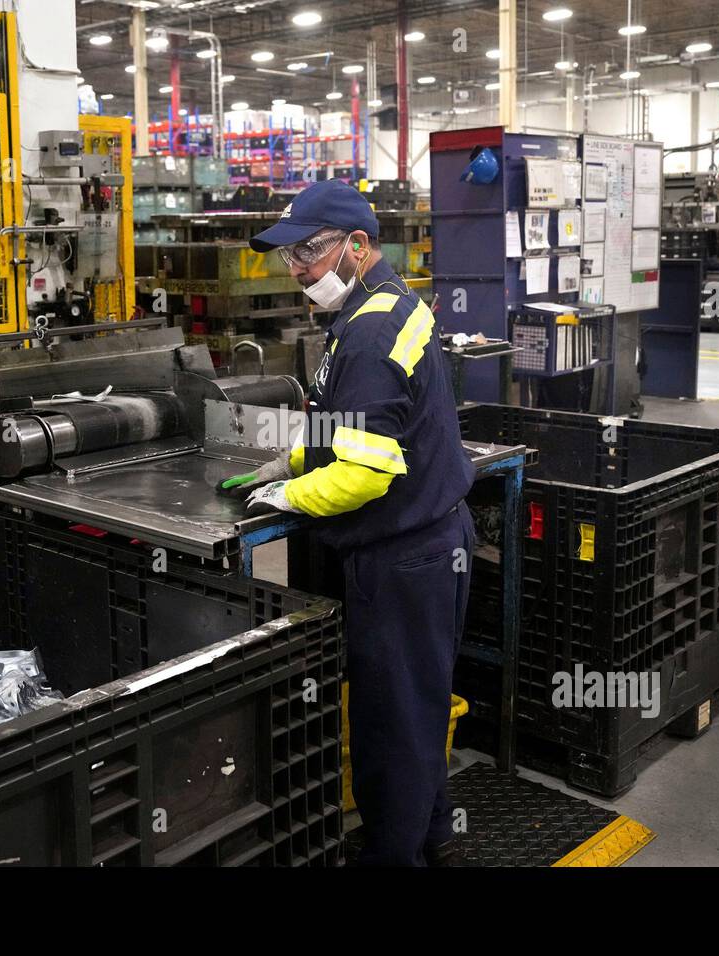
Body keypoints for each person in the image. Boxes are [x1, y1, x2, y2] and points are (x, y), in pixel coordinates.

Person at [219, 179, 476, 866]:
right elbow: (349, 424)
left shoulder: (369, 334)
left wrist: (292, 499)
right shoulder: (381, 305)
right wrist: (292, 460)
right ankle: (436, 837)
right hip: (426, 544)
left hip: (404, 560)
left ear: (358, 246)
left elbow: (366, 470)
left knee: (392, 726)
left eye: (310, 250)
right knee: (418, 710)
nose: (298, 268)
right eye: (290, 256)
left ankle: (397, 858)